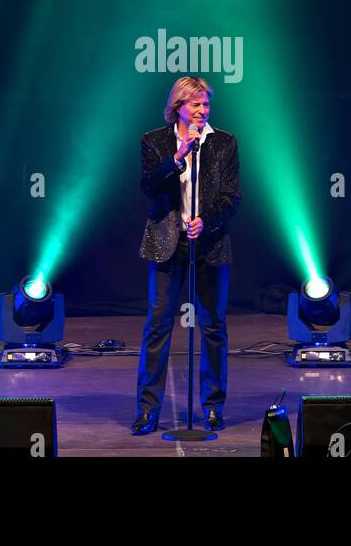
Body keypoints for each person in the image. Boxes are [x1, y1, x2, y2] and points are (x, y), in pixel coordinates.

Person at [131, 76, 241, 435]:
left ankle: (212, 408)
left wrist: (205, 222)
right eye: (195, 104)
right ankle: (148, 410)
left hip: (208, 243)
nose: (202, 110)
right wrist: (178, 157)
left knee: (213, 327)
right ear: (177, 106)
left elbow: (231, 196)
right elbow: (149, 186)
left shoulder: (223, 143)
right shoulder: (155, 141)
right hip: (167, 242)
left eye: (206, 104)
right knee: (158, 326)